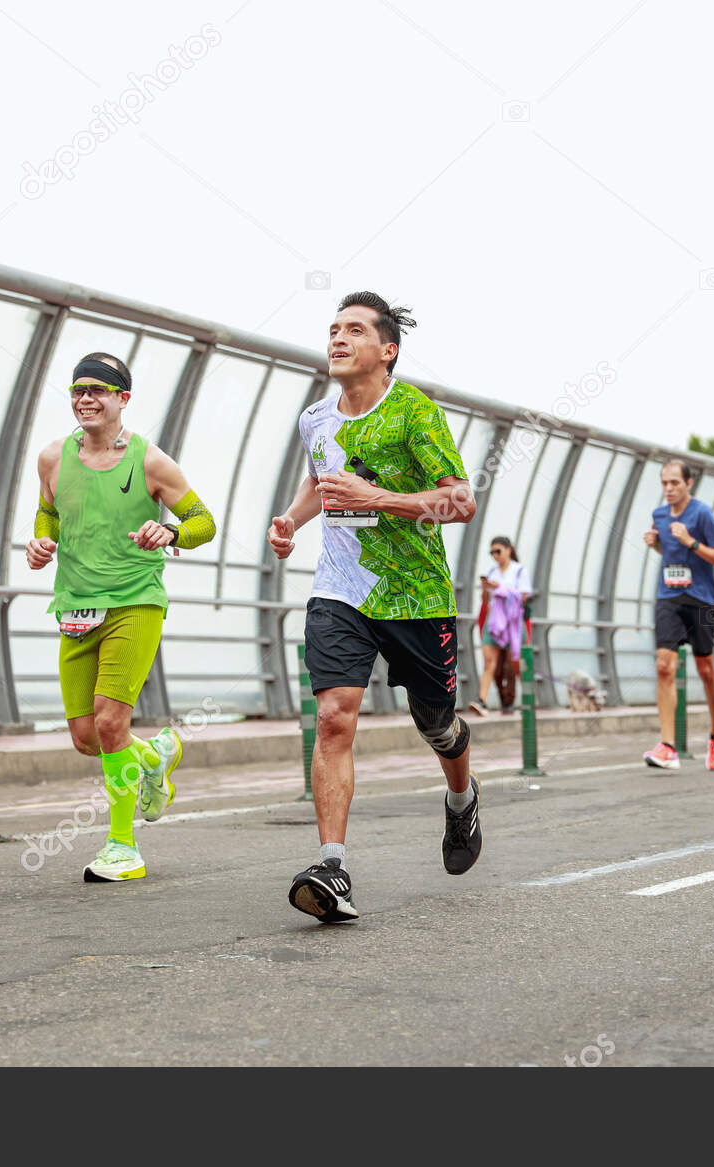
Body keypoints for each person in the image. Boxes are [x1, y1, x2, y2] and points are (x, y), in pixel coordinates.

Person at [268, 292, 480, 924]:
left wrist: (377, 497)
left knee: (436, 723)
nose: (338, 338)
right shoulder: (315, 418)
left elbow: (461, 503)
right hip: (341, 590)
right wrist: (291, 519)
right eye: (333, 329)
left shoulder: (413, 410)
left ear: (386, 350)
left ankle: (461, 797)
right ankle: (332, 867)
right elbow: (320, 477)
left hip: (414, 594)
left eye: (354, 330)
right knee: (334, 715)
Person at [26, 352, 213, 882]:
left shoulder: (151, 461)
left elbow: (204, 523)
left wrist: (171, 532)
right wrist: (43, 542)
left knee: (111, 721)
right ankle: (154, 756)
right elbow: (49, 512)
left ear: (122, 400)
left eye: (98, 391)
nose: (85, 399)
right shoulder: (51, 458)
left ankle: (123, 846)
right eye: (77, 390)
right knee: (87, 736)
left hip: (135, 601)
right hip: (76, 606)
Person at [642, 460, 714, 771]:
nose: (668, 489)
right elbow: (669, 555)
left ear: (688, 484)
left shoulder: (702, 514)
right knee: (664, 665)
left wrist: (690, 541)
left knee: (706, 668)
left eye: (674, 483)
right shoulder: (659, 515)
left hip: (702, 600)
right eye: (664, 483)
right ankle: (668, 746)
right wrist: (656, 545)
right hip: (669, 597)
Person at [470, 536, 530, 716]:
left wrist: (501, 588)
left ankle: (526, 699)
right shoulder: (492, 572)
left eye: (498, 551)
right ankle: (482, 701)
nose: (495, 555)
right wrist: (486, 589)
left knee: (515, 663)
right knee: (489, 663)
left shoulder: (519, 571)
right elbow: (486, 601)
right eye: (492, 552)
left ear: (508, 549)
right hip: (494, 621)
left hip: (512, 623)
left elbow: (524, 596)